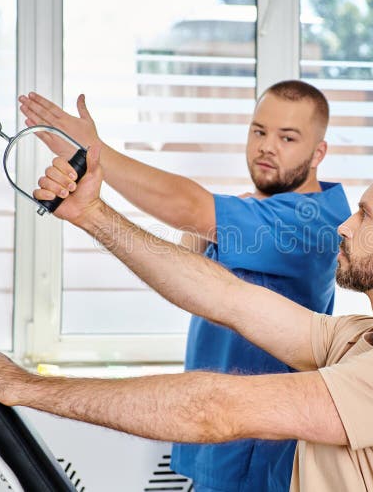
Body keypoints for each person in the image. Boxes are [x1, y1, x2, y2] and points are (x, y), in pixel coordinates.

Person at [0, 151, 373, 492]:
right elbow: (226, 296)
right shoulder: (362, 341)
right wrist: (92, 215)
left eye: (366, 215)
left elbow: (217, 409)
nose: (344, 226)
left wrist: (19, 386)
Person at [19, 80, 351, 492]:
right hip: (215, 438)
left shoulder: (310, 219)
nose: (267, 146)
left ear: (318, 152)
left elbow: (186, 206)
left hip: (259, 453)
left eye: (288, 137)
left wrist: (94, 153)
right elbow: (186, 272)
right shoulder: (255, 210)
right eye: (259, 131)